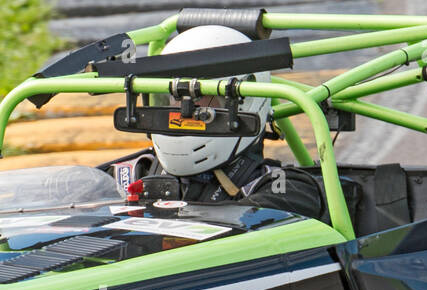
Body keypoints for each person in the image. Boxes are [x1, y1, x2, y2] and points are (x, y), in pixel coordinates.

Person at [104, 24, 326, 219]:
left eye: (204, 99)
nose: (185, 112)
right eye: (175, 98)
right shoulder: (133, 173)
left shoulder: (286, 188)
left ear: (246, 104)